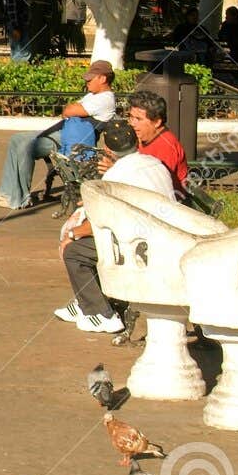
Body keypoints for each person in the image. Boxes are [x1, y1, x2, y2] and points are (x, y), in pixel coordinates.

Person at [54, 118, 176, 333]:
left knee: (74, 251)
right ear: (136, 143)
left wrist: (71, 235)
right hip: (165, 236)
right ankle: (84, 301)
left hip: (141, 246)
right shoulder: (155, 164)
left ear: (107, 149)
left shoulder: (116, 174)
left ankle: (100, 314)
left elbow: (101, 223)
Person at [0, 61, 116, 211]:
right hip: (63, 133)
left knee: (26, 145)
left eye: (90, 79)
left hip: (73, 142)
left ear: (103, 79)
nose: (87, 81)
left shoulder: (105, 99)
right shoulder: (93, 95)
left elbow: (69, 111)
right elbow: (70, 109)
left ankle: (20, 198)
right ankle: (9, 193)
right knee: (17, 139)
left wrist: (71, 109)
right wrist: (71, 109)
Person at [126, 89, 188, 192]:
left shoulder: (165, 146)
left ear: (157, 122)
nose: (132, 123)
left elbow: (154, 186)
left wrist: (117, 171)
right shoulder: (142, 137)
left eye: (139, 119)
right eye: (131, 117)